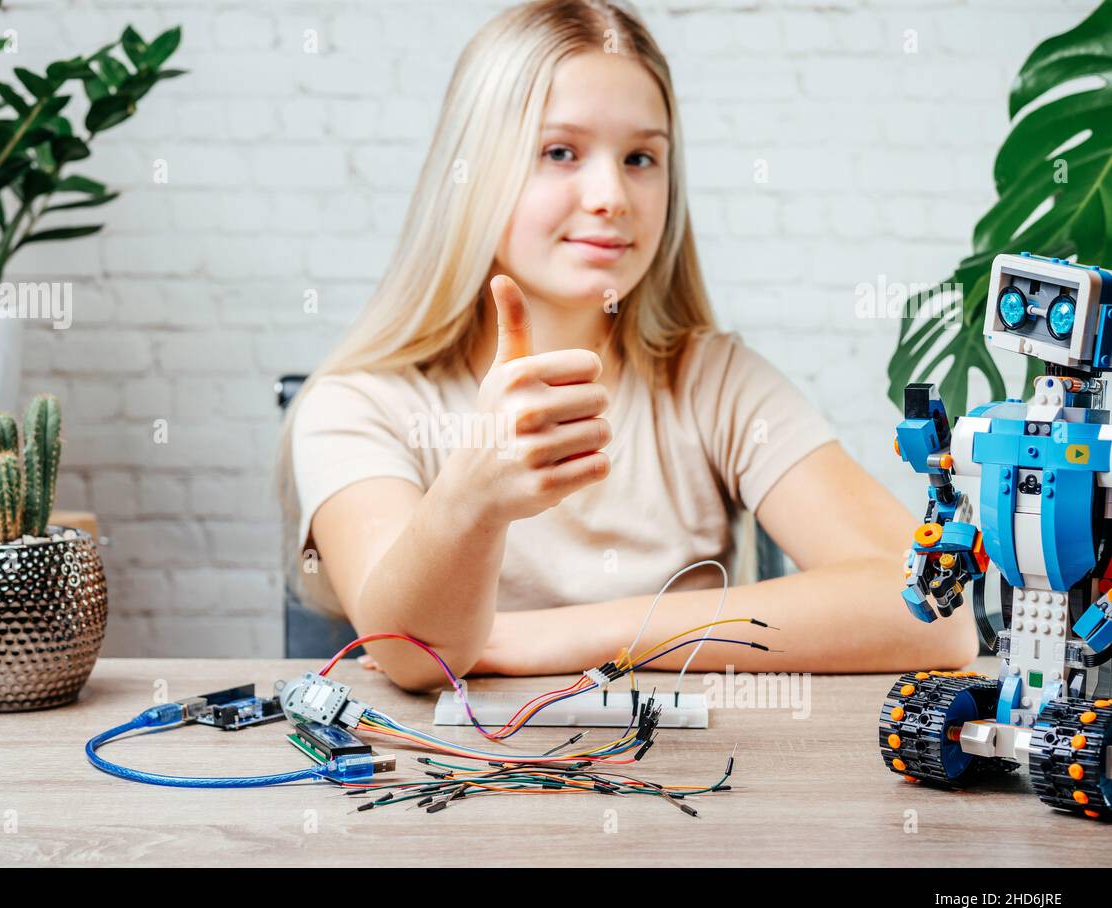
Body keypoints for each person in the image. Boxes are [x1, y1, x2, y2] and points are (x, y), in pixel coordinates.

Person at [277, 0, 977, 691]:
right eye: (560, 152)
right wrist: (471, 497)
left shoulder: (712, 381)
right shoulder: (355, 405)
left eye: (641, 156)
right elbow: (411, 652)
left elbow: (938, 615)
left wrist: (554, 635)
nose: (612, 194)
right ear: (473, 174)